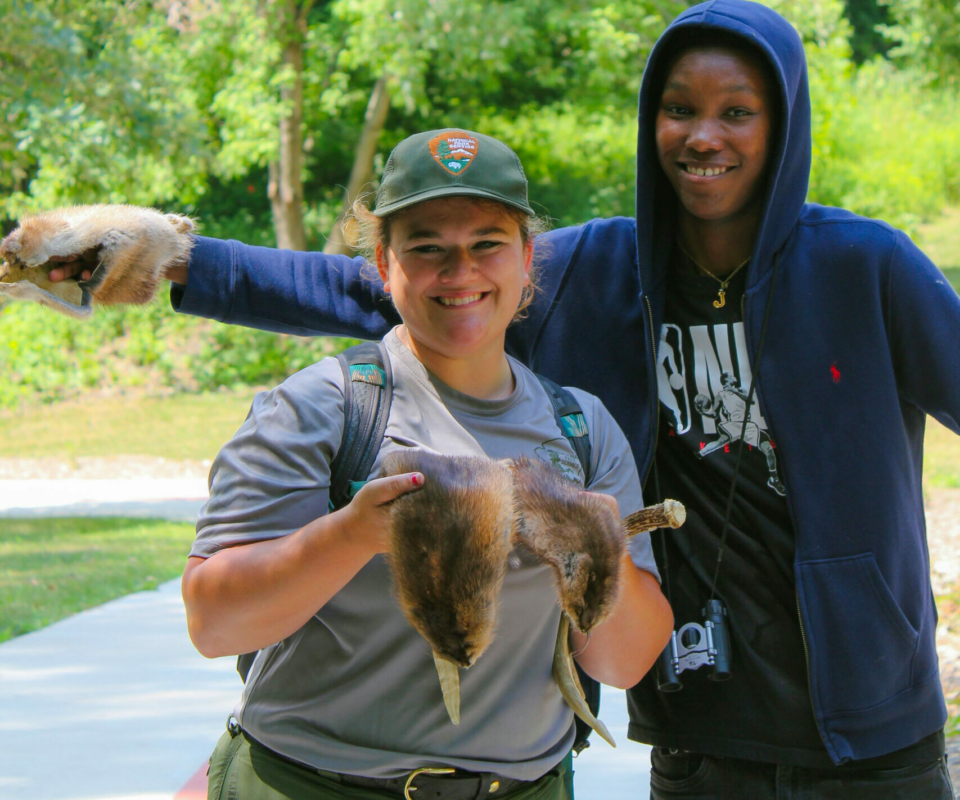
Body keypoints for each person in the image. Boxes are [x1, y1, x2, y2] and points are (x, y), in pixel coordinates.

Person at [43, 1, 960, 795]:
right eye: (679, 109)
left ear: (783, 123)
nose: (703, 136)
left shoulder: (865, 269)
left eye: (738, 112)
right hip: (699, 725)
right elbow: (386, 282)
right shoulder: (596, 272)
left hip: (872, 726)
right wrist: (177, 259)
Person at [179, 129, 673, 799]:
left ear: (527, 259)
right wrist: (352, 533)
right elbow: (214, 624)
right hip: (310, 785)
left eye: (487, 244)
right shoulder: (323, 407)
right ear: (384, 265)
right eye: (427, 247)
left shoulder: (581, 429)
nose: (460, 271)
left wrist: (595, 556)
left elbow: (625, 664)